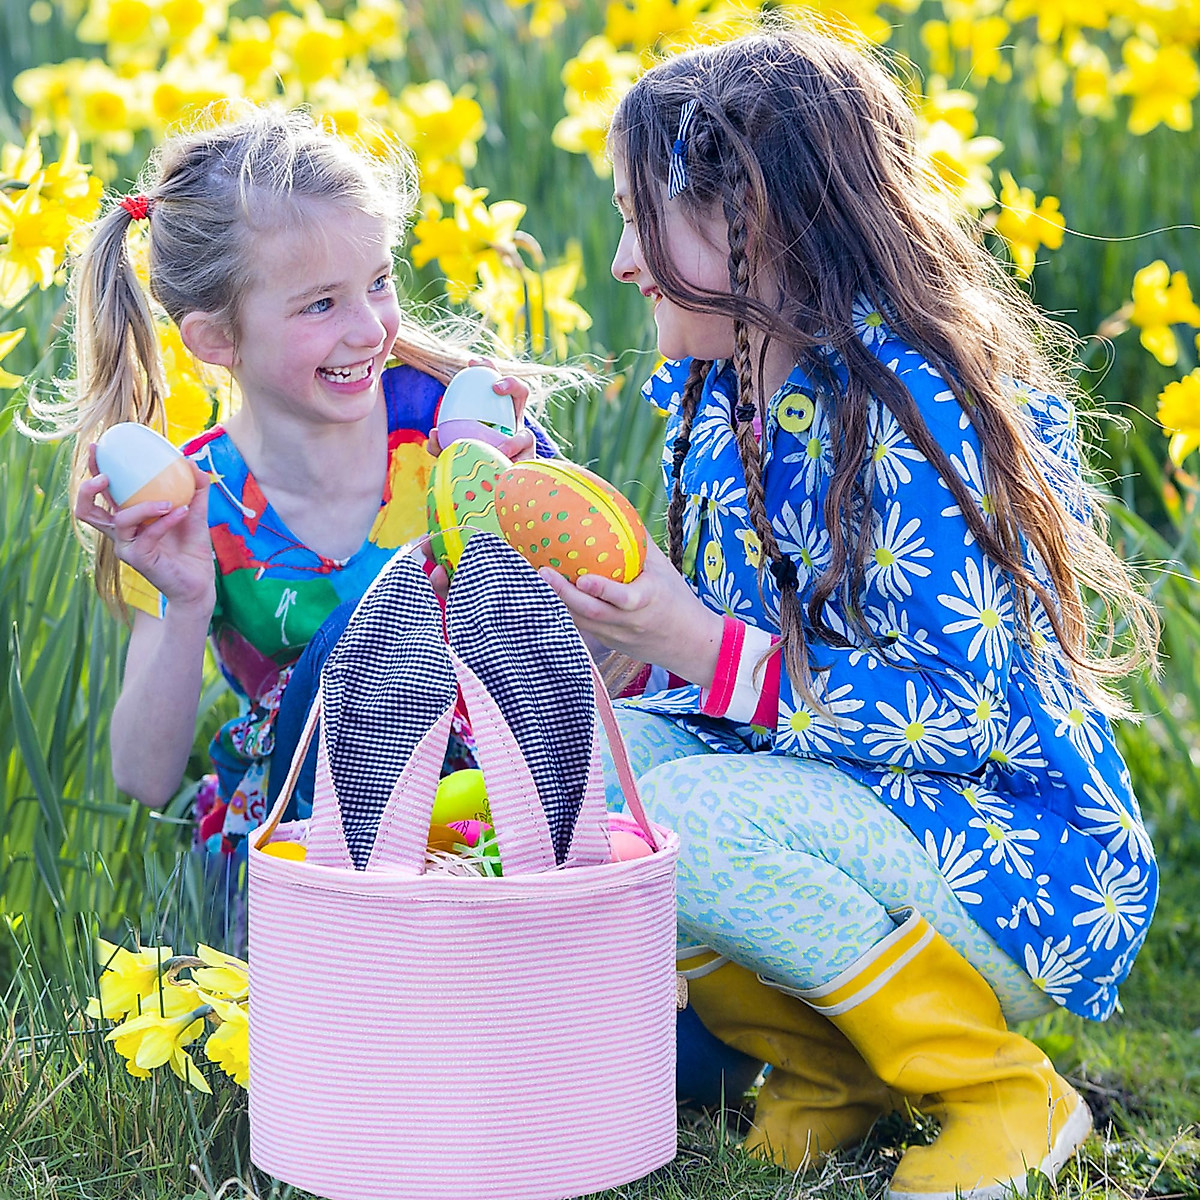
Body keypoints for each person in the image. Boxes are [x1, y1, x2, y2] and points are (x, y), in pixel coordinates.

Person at [540, 23, 1161, 1199]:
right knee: (585, 779)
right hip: (839, 808)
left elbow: (959, 714)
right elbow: (739, 667)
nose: (622, 261)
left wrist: (697, 646)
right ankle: (833, 1075)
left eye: (641, 220)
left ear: (755, 221)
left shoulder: (921, 417)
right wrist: (621, 638)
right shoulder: (720, 391)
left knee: (685, 824)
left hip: (1013, 855)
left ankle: (1002, 1091)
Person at [52, 105, 565, 872]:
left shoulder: (451, 430)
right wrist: (187, 600)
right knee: (354, 653)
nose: (370, 329)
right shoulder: (194, 502)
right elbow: (144, 777)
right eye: (321, 304)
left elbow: (588, 662)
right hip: (305, 842)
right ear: (216, 339)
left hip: (493, 807)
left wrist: (520, 522)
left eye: (379, 282)